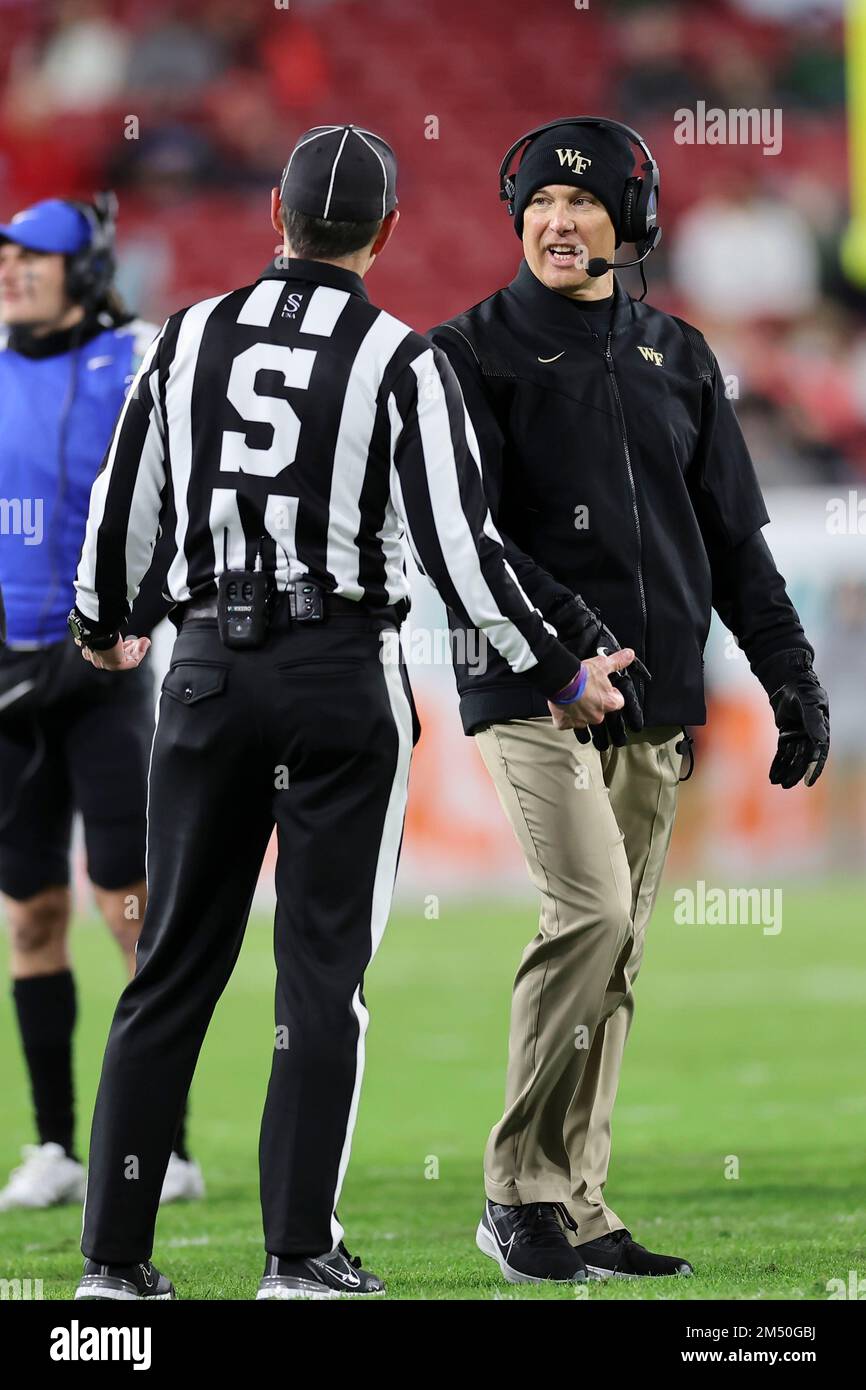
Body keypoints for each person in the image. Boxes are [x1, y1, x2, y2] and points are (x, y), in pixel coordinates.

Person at [68, 124, 630, 1302]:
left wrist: (102, 619)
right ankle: (296, 1259)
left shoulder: (186, 337)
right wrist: (559, 671)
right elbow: (459, 553)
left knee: (169, 968)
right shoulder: (398, 359)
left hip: (207, 669)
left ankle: (113, 1265)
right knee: (320, 976)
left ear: (275, 212)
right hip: (337, 676)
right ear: (382, 235)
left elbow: (123, 508)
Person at [429, 116, 830, 1284]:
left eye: (585, 204)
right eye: (541, 206)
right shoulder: (470, 351)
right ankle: (513, 1192)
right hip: (533, 690)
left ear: (630, 222)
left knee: (617, 958)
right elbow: (475, 537)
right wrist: (571, 643)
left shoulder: (680, 354)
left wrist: (788, 674)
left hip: (655, 698)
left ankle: (578, 1200)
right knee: (591, 913)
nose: (558, 222)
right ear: (516, 219)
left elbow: (735, 543)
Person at [0, 195, 203, 1211]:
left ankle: (165, 1144)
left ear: (86, 270)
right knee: (29, 915)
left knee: (127, 906)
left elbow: (188, 496)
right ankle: (53, 1143)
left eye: (32, 257)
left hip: (106, 679)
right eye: (4, 255)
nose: (11, 270)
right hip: (6, 686)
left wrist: (142, 609)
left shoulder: (141, 360)